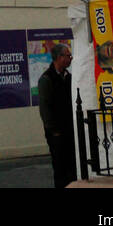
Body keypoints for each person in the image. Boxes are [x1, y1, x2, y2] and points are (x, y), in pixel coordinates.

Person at [38, 42, 76, 188]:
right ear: (59, 58)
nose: (71, 58)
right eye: (68, 56)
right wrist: (54, 130)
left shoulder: (69, 77)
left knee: (72, 166)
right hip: (57, 134)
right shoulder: (46, 79)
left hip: (70, 130)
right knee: (60, 168)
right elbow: (45, 108)